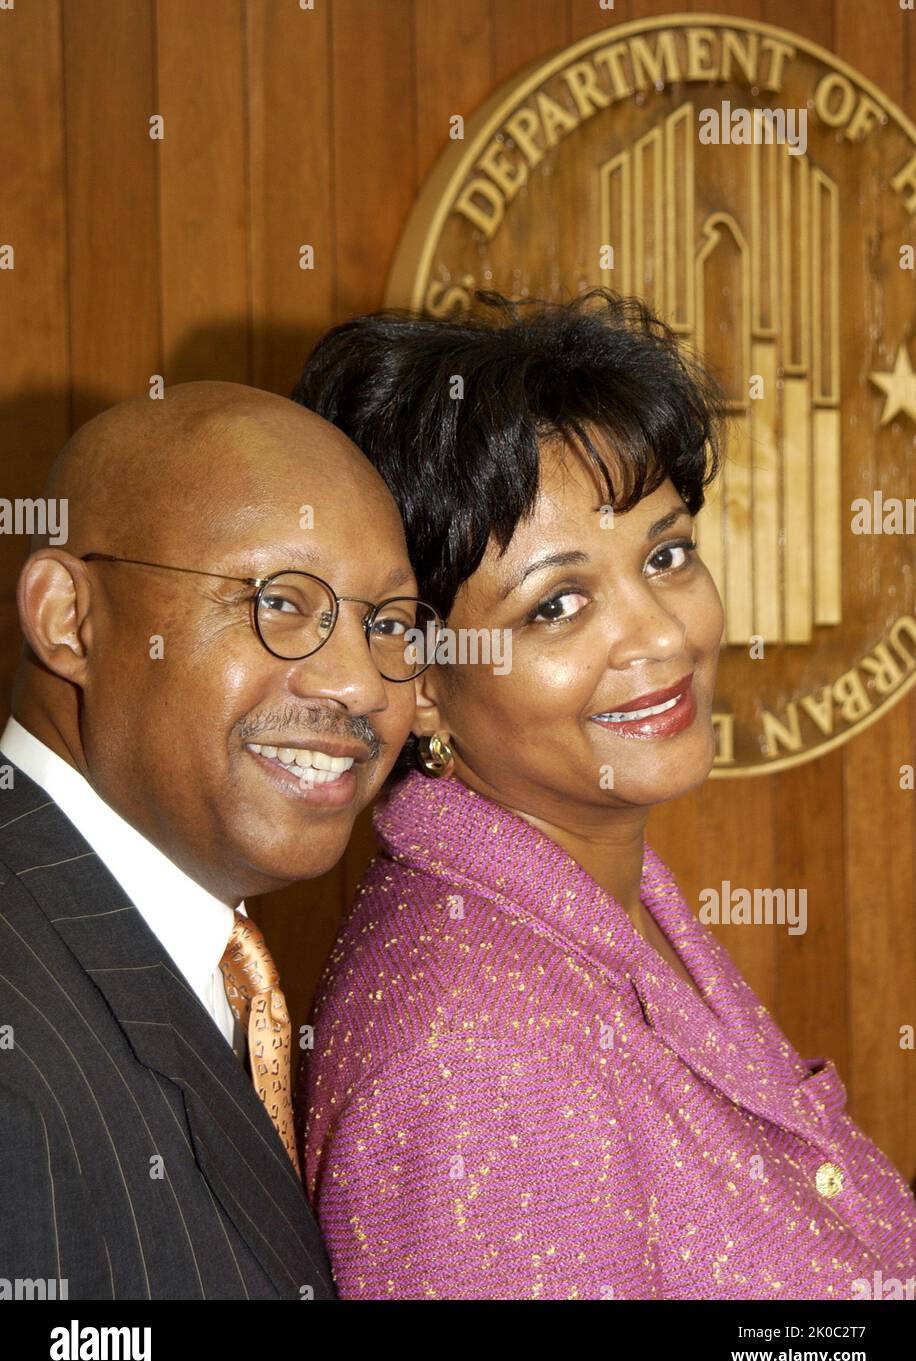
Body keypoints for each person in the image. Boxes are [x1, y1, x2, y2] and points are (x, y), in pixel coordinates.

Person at [291, 290, 916, 1300]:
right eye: (559, 604)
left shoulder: (590, 907)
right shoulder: (479, 1067)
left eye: (666, 555)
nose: (664, 635)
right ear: (422, 680)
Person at [0, 381, 439, 1299]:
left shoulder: (190, 953)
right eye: (279, 602)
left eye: (388, 624)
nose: (360, 684)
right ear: (66, 618)